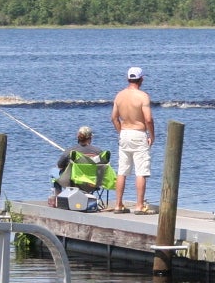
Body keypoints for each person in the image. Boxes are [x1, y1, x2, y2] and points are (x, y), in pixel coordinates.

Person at [110, 66, 154, 214]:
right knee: (140, 171)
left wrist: (120, 131)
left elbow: (114, 118)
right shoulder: (143, 96)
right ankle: (139, 205)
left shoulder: (119, 96)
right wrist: (151, 136)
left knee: (122, 171)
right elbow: (148, 119)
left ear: (128, 78)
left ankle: (118, 204)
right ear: (141, 79)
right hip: (138, 133)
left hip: (124, 133)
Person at [51, 126, 110, 205]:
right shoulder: (98, 152)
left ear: (78, 137)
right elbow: (105, 168)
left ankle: (58, 200)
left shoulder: (71, 151)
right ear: (90, 138)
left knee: (53, 172)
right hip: (93, 184)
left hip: (74, 183)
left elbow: (59, 165)